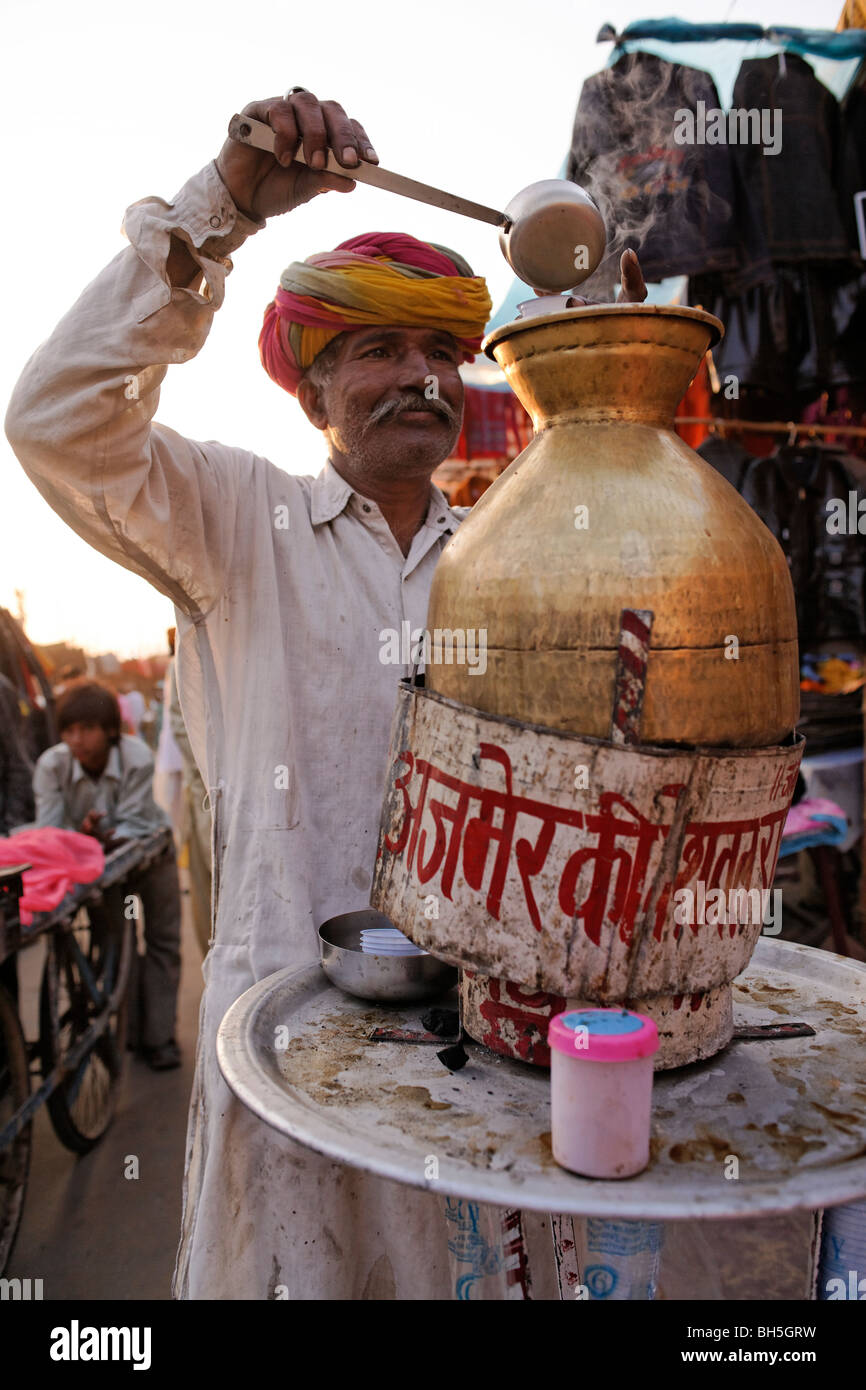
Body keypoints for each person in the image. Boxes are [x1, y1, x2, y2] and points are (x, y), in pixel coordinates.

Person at [6, 89, 646, 1298]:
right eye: (377, 351)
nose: (421, 378)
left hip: (489, 1042)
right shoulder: (236, 521)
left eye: (441, 352)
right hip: (289, 1033)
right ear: (309, 393)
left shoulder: (507, 556)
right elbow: (55, 420)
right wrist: (223, 210)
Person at [32, 681, 183, 1070]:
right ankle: (132, 1033)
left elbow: (134, 825)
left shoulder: (136, 756)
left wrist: (97, 838)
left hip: (152, 861)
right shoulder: (52, 766)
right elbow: (50, 833)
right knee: (122, 940)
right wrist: (82, 839)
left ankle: (160, 1037)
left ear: (111, 730)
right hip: (107, 873)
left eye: (87, 729)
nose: (76, 739)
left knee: (161, 943)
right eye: (68, 731)